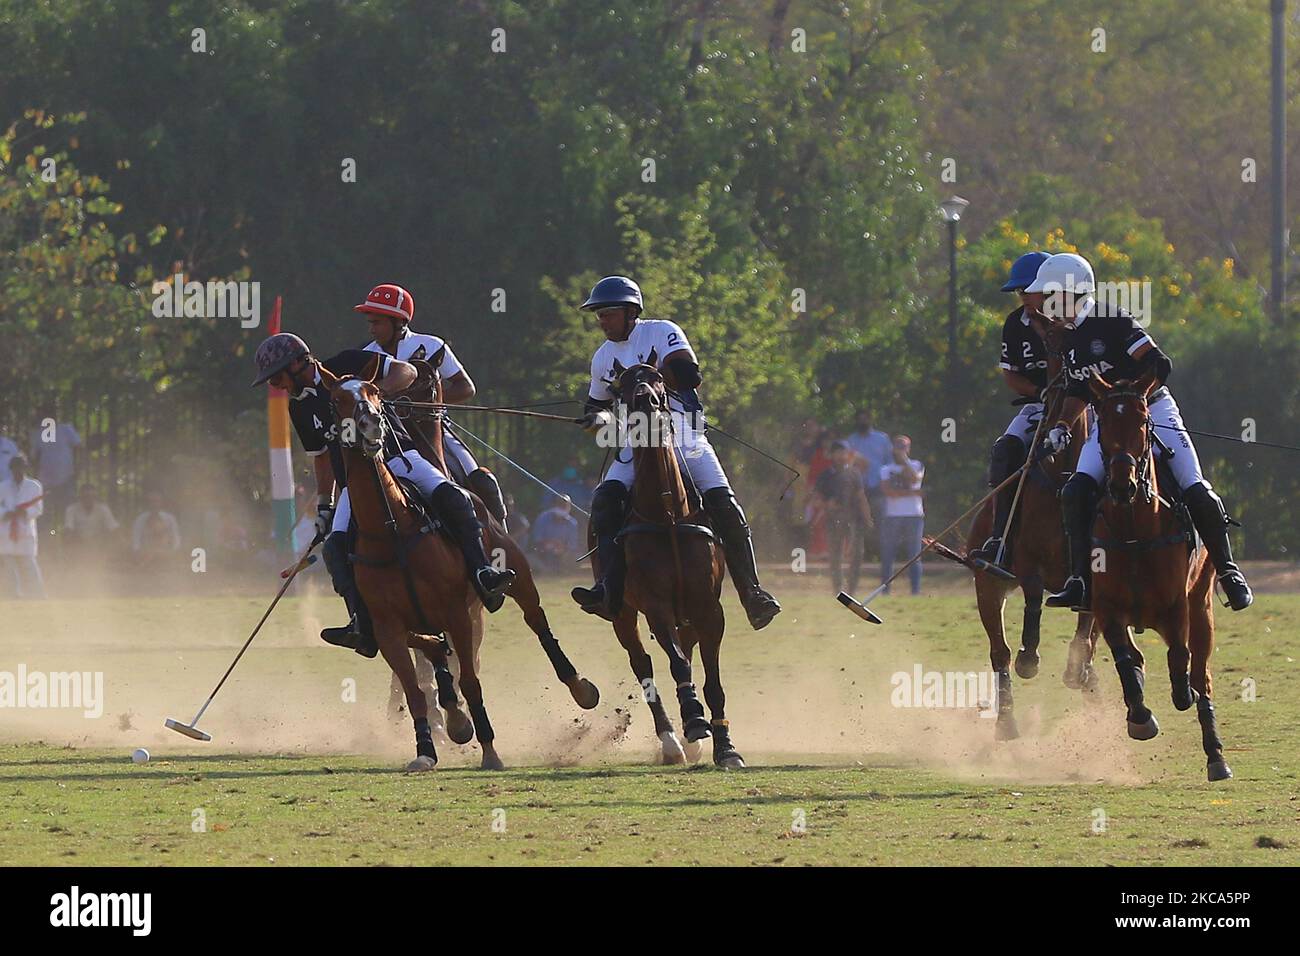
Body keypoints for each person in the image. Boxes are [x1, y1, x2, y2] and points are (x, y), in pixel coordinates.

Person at [251, 331, 515, 658]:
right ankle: (360, 624)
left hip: (399, 459)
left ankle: (482, 573)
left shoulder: (348, 362)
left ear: (296, 364)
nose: (274, 385)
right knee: (335, 546)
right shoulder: (300, 408)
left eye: (276, 377)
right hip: (357, 483)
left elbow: (409, 372)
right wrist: (324, 505)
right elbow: (321, 457)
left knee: (456, 499)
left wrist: (372, 394)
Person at [1024, 253, 1253, 612]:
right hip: (1107, 420)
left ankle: (1228, 571)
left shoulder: (1112, 321)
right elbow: (1078, 391)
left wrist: (1134, 402)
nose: (1044, 303)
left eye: (1050, 294)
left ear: (1072, 292)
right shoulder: (1069, 338)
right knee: (1076, 489)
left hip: (1153, 410)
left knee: (1193, 484)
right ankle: (1081, 581)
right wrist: (1062, 428)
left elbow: (1159, 363)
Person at [570, 275, 781, 630]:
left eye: (607, 314)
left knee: (723, 502)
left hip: (683, 432)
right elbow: (595, 408)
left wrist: (644, 380)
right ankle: (608, 589)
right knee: (605, 500)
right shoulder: (602, 357)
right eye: (599, 316)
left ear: (630, 311)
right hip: (636, 440)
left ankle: (752, 593)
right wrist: (597, 419)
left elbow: (689, 373)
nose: (602, 322)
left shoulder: (661, 331)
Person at [357, 282, 509, 527]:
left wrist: (426, 403)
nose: (372, 329)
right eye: (370, 323)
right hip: (389, 436)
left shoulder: (430, 346)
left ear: (398, 322)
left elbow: (465, 387)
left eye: (377, 323)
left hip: (435, 429)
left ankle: (502, 539)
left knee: (481, 481)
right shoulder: (366, 356)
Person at [971, 251, 1052, 563]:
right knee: (1005, 450)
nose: (1022, 297)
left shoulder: (1075, 318)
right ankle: (1000, 540)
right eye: (1019, 291)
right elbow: (1010, 374)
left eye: (1026, 289)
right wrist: (1039, 392)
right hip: (1037, 406)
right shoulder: (1015, 324)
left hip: (1081, 405)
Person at [812, 441, 872, 594]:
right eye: (837, 452)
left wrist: (867, 517)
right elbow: (816, 500)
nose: (840, 455)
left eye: (843, 452)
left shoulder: (854, 473)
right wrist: (827, 504)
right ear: (832, 455)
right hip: (833, 520)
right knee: (835, 555)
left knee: (857, 554)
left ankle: (852, 588)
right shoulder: (825, 475)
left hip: (854, 519)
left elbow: (861, 496)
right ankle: (838, 588)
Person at [878, 435, 925, 595]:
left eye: (904, 447)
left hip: (914, 515)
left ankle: (915, 591)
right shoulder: (885, 469)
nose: (900, 450)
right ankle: (885, 590)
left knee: (914, 555)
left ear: (909, 448)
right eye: (898, 447)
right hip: (892, 516)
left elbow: (913, 478)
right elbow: (888, 492)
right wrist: (913, 493)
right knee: (888, 554)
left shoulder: (917, 465)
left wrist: (904, 460)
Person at [842, 409, 893, 543]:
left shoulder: (882, 438)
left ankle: (884, 559)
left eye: (865, 418)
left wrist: (887, 483)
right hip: (858, 489)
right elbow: (847, 465)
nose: (862, 421)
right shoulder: (851, 440)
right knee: (857, 525)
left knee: (882, 523)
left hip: (878, 487)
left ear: (870, 420)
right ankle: (858, 559)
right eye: (860, 419)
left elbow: (890, 463)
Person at [0, 455, 46, 598]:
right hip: (7, 531)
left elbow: (38, 509)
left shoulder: (34, 486)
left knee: (29, 565)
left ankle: (37, 595)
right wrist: (5, 513)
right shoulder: (3, 486)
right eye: (15, 468)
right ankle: (13, 596)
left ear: (25, 468)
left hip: (25, 531)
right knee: (9, 567)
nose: (18, 471)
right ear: (11, 469)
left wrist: (24, 512)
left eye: (20, 467)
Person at [29, 420, 81, 534]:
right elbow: (34, 457)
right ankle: (46, 544)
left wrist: (77, 467)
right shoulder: (38, 433)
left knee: (67, 514)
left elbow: (78, 447)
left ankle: (69, 543)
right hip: (45, 482)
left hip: (66, 479)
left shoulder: (66, 429)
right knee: (44, 515)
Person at [64, 485, 120, 555]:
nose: (89, 499)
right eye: (86, 496)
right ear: (80, 497)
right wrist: (69, 545)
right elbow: (68, 529)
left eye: (92, 496)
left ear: (95, 497)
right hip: (79, 545)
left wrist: (118, 546)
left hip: (99, 545)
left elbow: (113, 528)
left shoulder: (103, 509)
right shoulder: (71, 509)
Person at [531, 495, 580, 573]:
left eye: (565, 505)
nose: (562, 507)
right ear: (554, 505)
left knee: (576, 557)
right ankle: (547, 569)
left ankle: (562, 570)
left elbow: (572, 545)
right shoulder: (542, 518)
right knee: (532, 559)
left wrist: (562, 548)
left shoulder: (572, 523)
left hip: (564, 554)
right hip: (544, 552)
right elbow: (537, 540)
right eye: (560, 504)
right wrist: (551, 544)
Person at [132, 490, 181, 563]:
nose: (154, 504)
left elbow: (176, 538)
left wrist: (174, 552)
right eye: (151, 501)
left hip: (165, 554)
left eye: (157, 501)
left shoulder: (170, 519)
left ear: (161, 503)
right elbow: (136, 540)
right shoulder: (140, 519)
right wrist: (137, 553)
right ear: (148, 504)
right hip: (146, 555)